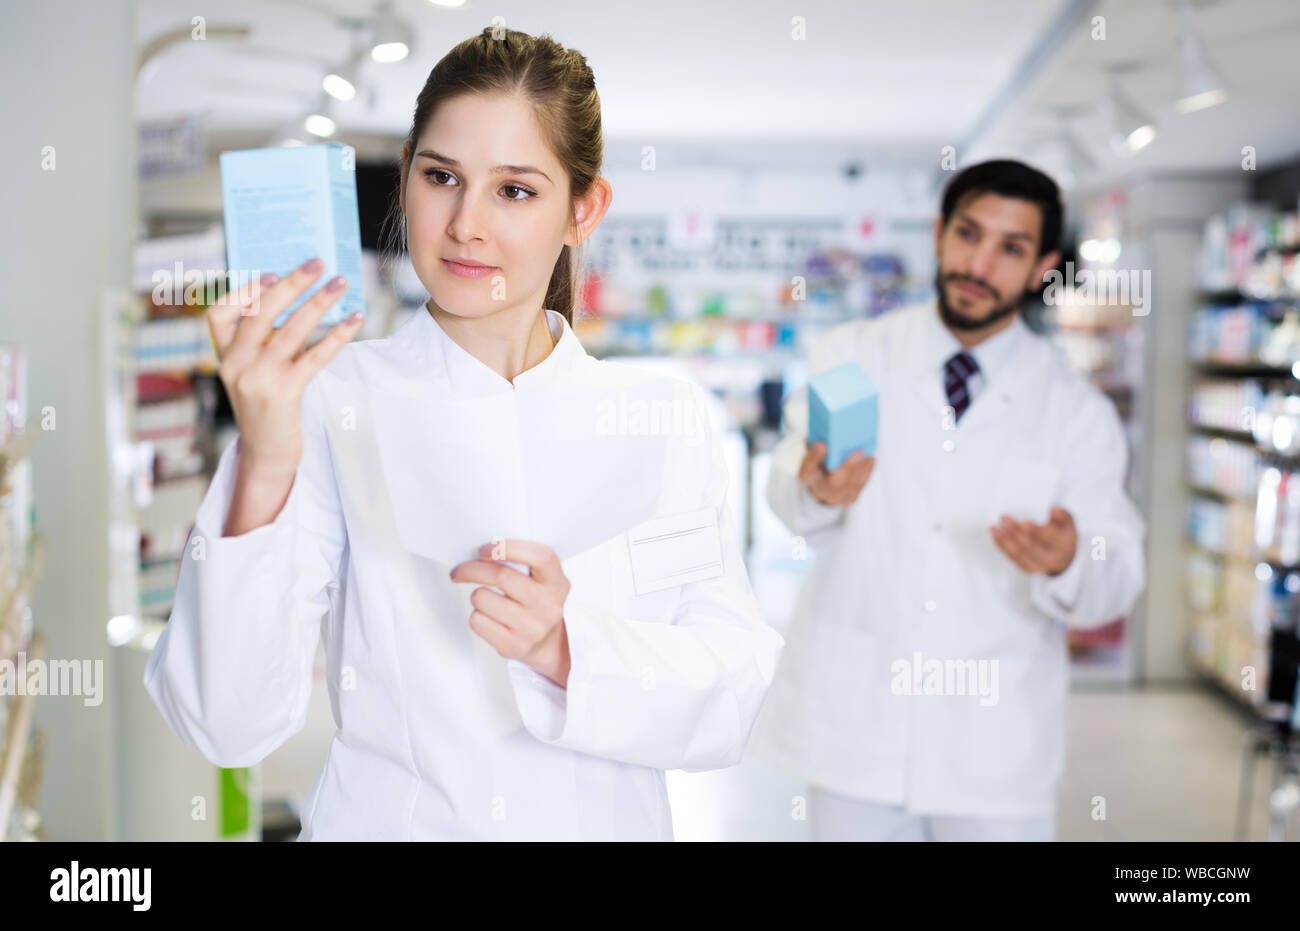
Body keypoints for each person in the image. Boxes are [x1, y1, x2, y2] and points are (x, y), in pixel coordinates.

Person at [144, 28, 783, 841]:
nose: (464, 226)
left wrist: (565, 647)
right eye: (442, 176)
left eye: (514, 190)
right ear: (407, 171)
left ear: (583, 209)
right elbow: (224, 721)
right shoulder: (329, 397)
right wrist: (266, 453)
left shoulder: (661, 416)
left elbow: (733, 687)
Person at [751, 159, 1145, 841]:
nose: (979, 262)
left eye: (1011, 247)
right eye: (968, 233)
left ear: (1043, 266)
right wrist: (814, 487)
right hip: (858, 730)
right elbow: (787, 483)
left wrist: (1069, 556)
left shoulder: (1076, 409)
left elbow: (1118, 573)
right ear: (938, 233)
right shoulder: (852, 354)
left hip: (995, 748)